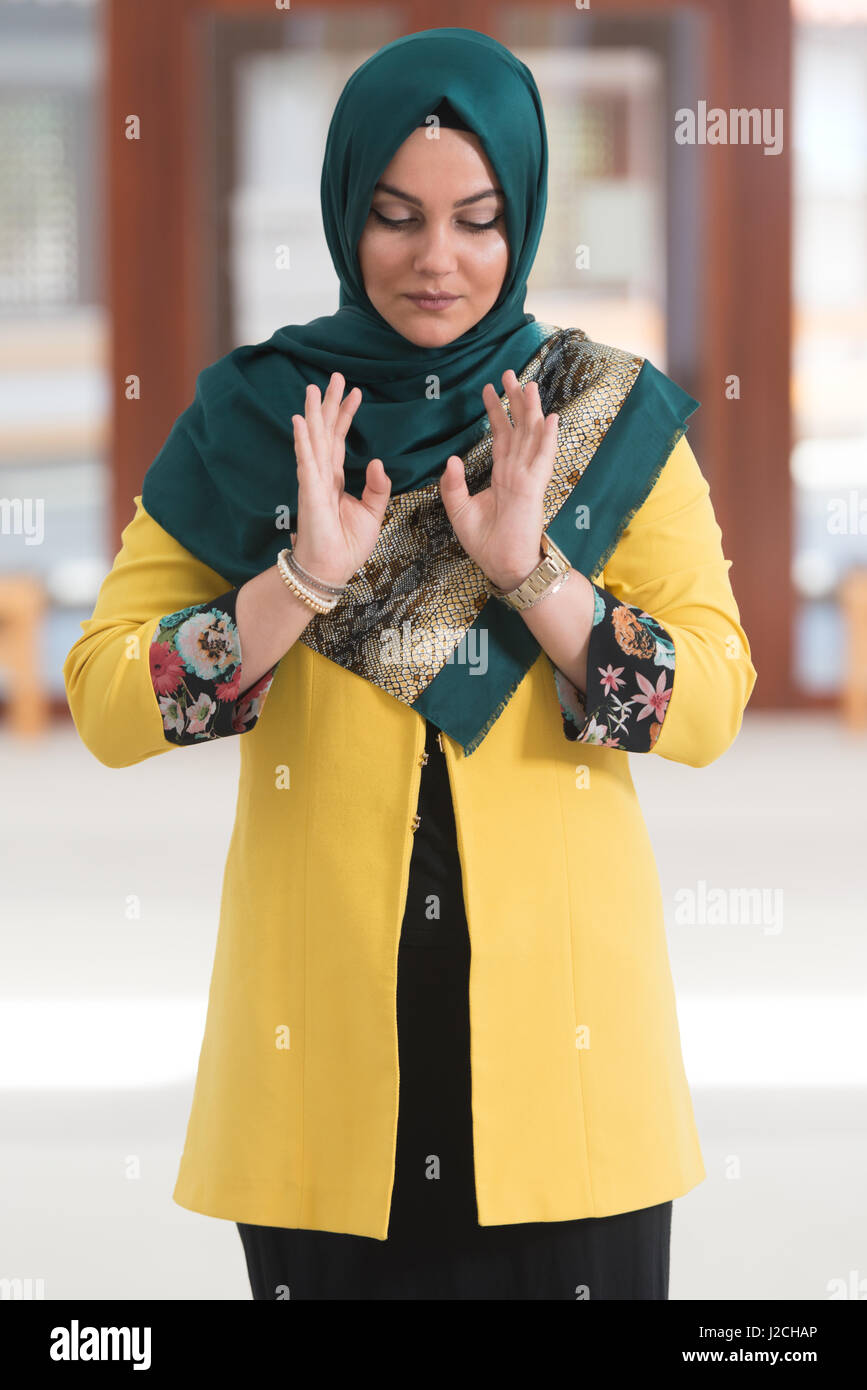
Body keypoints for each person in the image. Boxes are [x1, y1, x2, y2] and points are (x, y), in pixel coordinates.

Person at [63, 28, 757, 1300]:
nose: (437, 259)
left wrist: (537, 574)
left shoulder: (598, 415)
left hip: (566, 1062)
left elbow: (710, 701)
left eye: (478, 219)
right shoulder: (257, 422)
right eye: (395, 216)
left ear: (525, 220)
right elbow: (107, 698)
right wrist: (297, 584)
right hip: (321, 1061)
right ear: (344, 212)